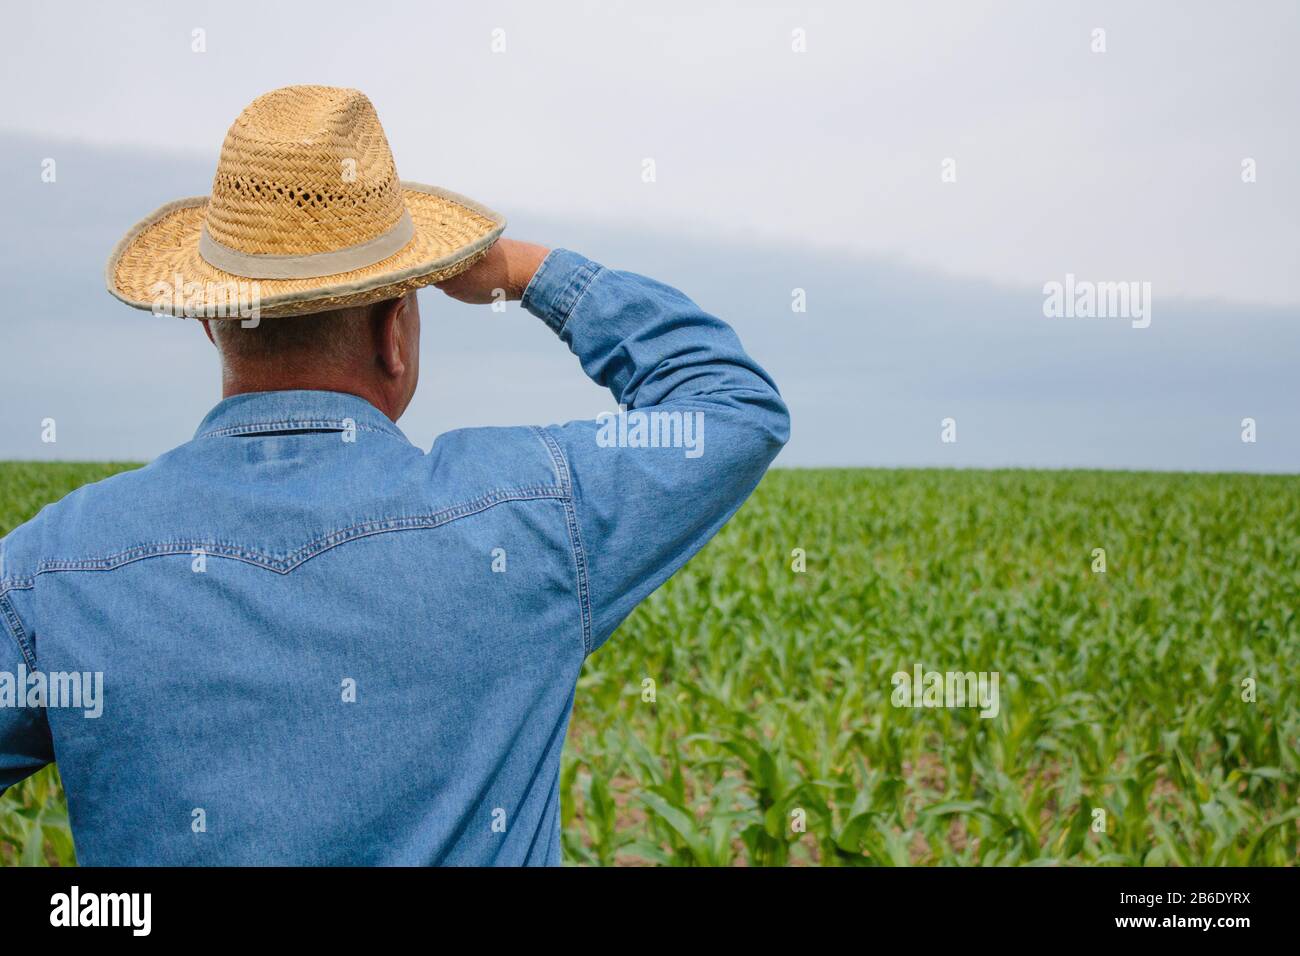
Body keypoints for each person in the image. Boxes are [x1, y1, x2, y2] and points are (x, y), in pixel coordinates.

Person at [0, 86, 788, 864]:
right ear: (394, 335)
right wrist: (527, 271)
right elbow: (733, 407)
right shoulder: (533, 512)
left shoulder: (53, 567)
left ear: (212, 321)